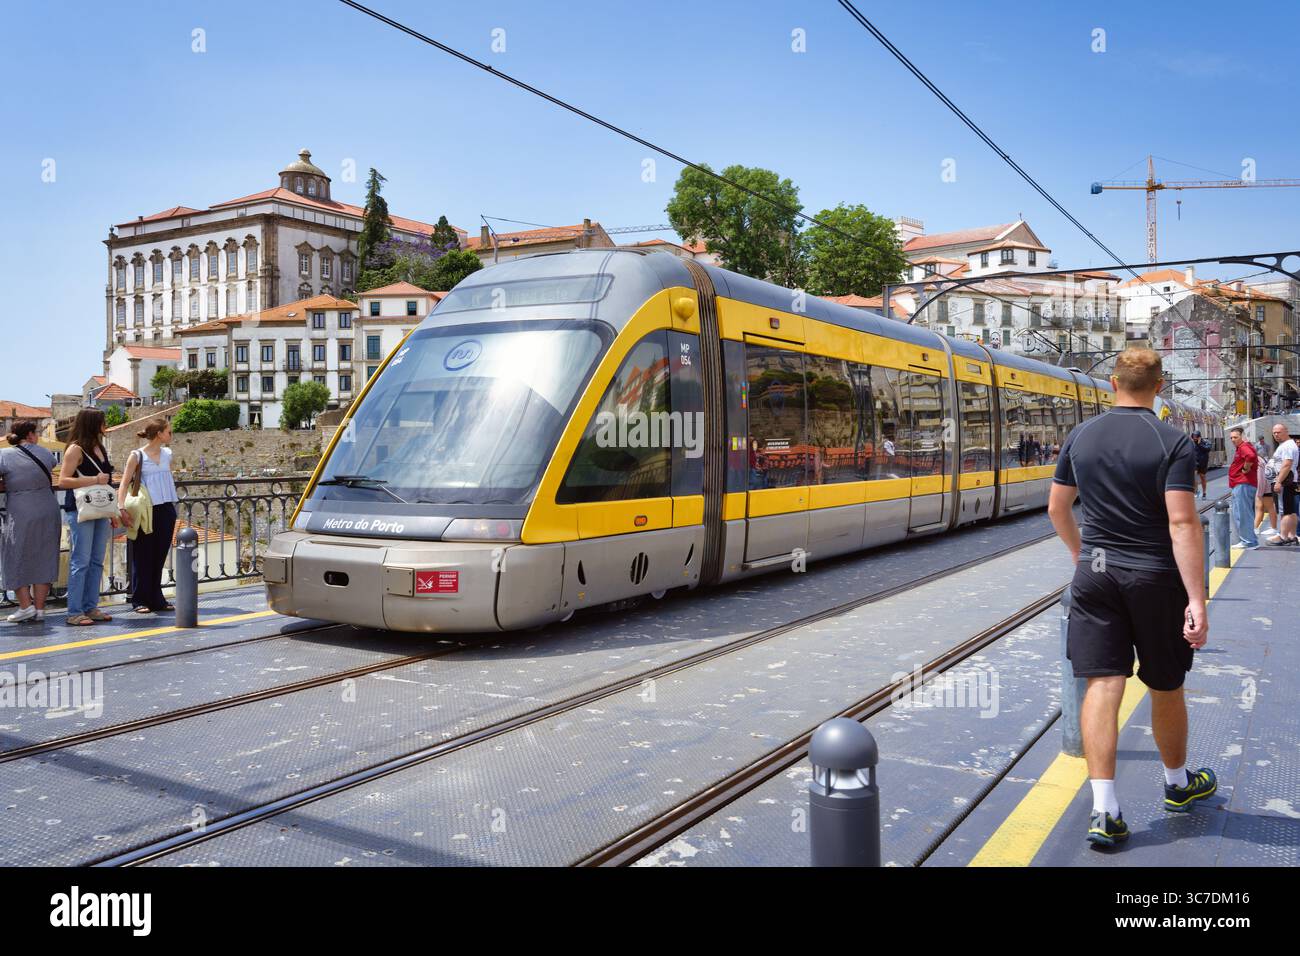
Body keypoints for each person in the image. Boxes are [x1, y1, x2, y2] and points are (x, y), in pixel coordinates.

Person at [1047, 348, 1215, 849]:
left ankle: (1104, 811)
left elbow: (1058, 508)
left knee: (1102, 684)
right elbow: (1182, 522)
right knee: (1165, 684)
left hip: (1096, 578)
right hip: (1155, 578)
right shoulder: (1172, 441)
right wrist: (1197, 599)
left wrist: (1083, 556)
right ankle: (1178, 785)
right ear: (1159, 386)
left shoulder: (1081, 435)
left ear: (1113, 382)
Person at [57, 409, 122, 627]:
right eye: (103, 421)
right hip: (80, 509)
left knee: (96, 561)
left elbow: (107, 481)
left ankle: (90, 607)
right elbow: (64, 480)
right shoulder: (75, 449)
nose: (106, 424)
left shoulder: (100, 447)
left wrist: (113, 511)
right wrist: (95, 478)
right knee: (81, 561)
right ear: (94, 424)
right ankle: (74, 612)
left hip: (100, 509)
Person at [0, 421, 60, 623]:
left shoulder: (5, 455)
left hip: (21, 509)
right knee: (44, 556)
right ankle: (40, 609)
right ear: (31, 435)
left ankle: (26, 606)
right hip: (48, 506)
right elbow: (50, 467)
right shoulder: (45, 453)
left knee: (16, 554)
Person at [117, 418, 179, 614]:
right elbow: (125, 483)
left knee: (160, 554)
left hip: (166, 506)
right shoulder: (137, 455)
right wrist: (121, 507)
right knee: (143, 554)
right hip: (146, 509)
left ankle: (156, 597)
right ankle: (140, 599)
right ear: (159, 434)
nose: (171, 436)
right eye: (169, 432)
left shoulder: (167, 454)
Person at [1263, 421, 1299, 546]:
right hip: (1288, 482)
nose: (1276, 435)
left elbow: (1287, 464)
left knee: (1285, 511)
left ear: (1286, 431)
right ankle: (1292, 535)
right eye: (1274, 433)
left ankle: (1282, 537)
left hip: (1284, 482)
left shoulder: (1288, 446)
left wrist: (1278, 482)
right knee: (1292, 510)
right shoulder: (1287, 444)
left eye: (1279, 432)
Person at [1227, 427, 1259, 550]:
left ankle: (1249, 541)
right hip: (1241, 484)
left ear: (1242, 436)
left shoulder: (1244, 447)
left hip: (1243, 484)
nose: (1233, 440)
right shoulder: (1241, 447)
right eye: (1231, 438)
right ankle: (1247, 540)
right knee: (1240, 513)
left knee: (1243, 513)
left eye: (1235, 437)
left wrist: (1246, 469)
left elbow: (1250, 456)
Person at [1255, 435, 1279, 540]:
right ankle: (1273, 527)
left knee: (1259, 508)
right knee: (1270, 507)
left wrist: (1259, 492)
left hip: (1263, 488)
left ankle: (1255, 528)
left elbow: (1260, 477)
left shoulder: (1257, 461)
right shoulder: (1261, 460)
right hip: (1267, 487)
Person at [1190, 431, 1211, 499]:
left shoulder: (1206, 442)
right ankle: (1196, 491)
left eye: (1196, 437)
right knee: (1194, 476)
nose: (1194, 439)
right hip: (1194, 462)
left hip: (1203, 462)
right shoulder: (1191, 443)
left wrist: (1199, 444)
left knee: (1202, 477)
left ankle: (1204, 493)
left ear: (1199, 437)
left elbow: (1208, 449)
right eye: (1193, 437)